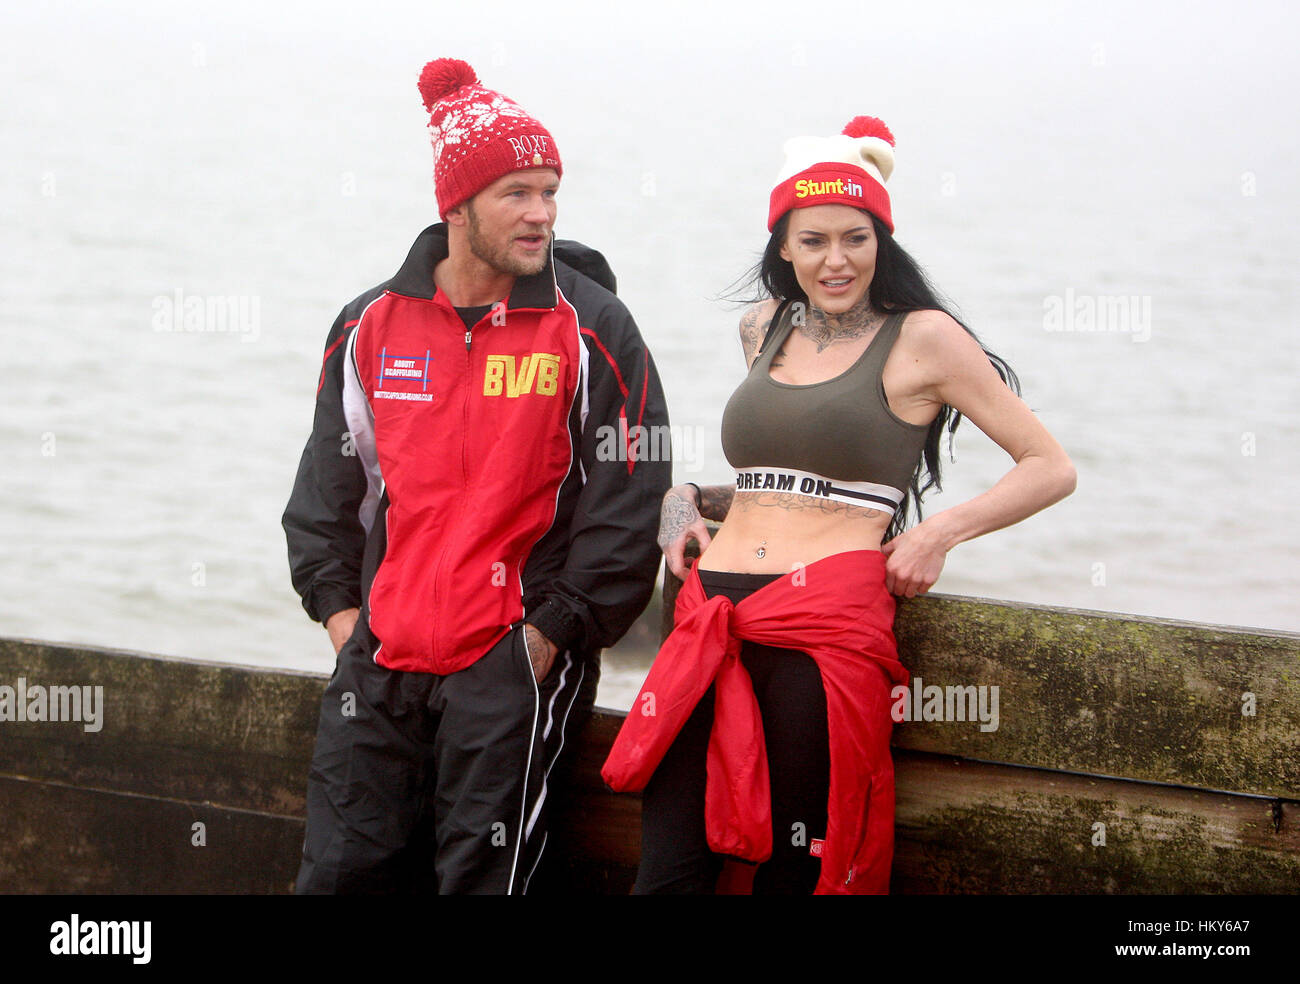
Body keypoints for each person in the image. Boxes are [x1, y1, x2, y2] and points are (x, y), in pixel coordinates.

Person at [602, 115, 1076, 894]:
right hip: (707, 612)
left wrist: (939, 534)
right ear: (782, 247)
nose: (836, 259)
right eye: (813, 239)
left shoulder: (925, 337)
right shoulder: (763, 327)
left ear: (881, 240)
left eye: (855, 237)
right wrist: (685, 500)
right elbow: (782, 477)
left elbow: (1049, 467)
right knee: (671, 863)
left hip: (820, 629)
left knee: (797, 864)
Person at [283, 57, 671, 894]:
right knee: (337, 877)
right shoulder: (368, 325)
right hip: (379, 663)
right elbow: (327, 491)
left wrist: (547, 635)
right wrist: (346, 623)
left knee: (480, 883)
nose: (543, 214)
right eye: (517, 193)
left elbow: (630, 498)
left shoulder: (593, 328)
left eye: (550, 191)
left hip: (512, 661)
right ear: (455, 206)